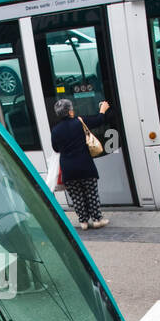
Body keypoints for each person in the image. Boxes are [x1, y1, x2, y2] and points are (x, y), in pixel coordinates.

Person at [49, 97, 111, 229]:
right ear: (70, 111)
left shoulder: (55, 130)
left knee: (77, 197)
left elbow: (55, 148)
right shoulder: (78, 122)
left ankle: (83, 222)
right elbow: (99, 121)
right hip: (85, 166)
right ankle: (97, 219)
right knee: (91, 193)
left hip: (68, 169)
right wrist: (102, 110)